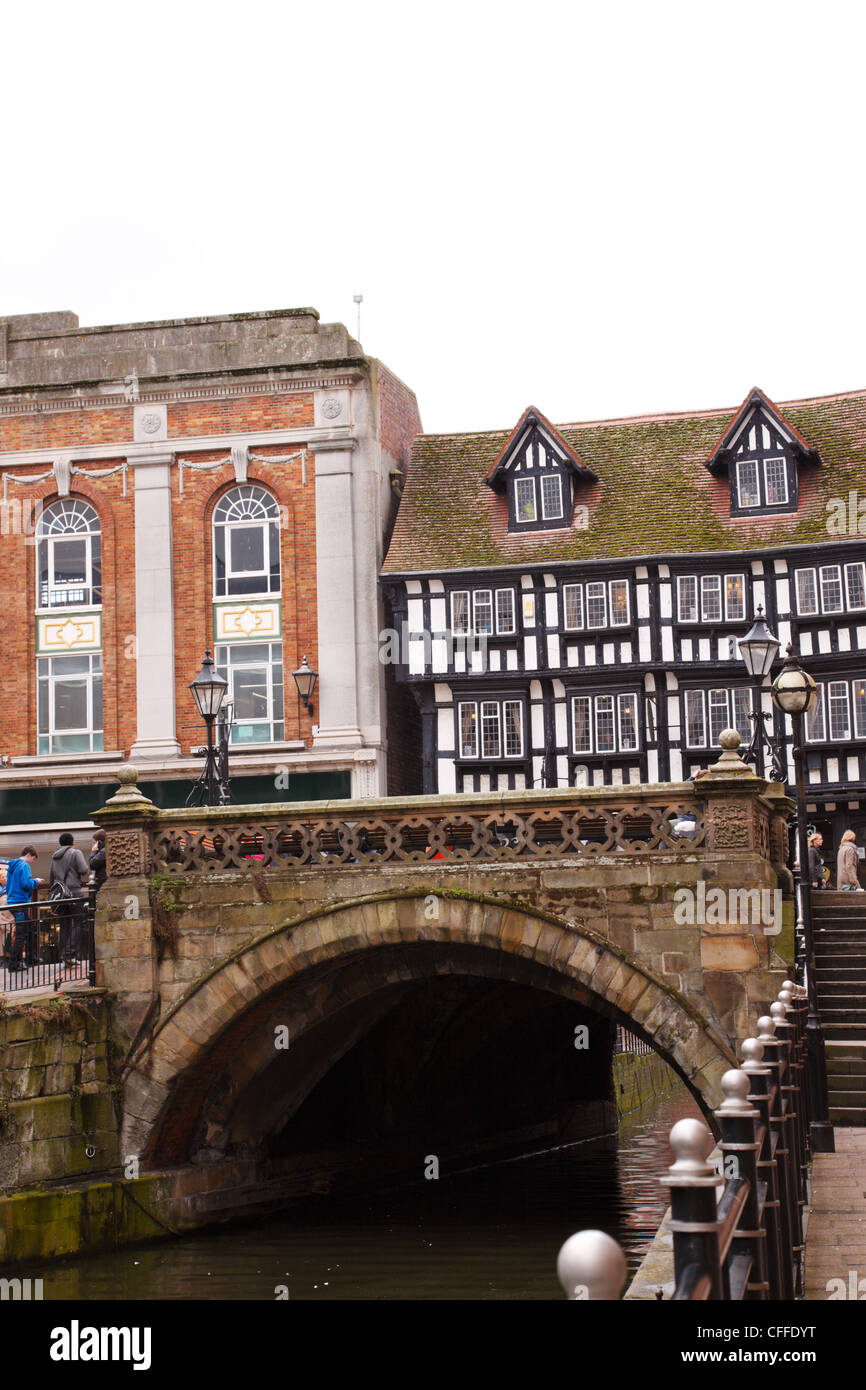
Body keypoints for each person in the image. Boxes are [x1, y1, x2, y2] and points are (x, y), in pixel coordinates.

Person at [49, 833, 89, 966]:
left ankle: (64, 956)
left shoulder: (54, 856)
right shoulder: (75, 852)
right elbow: (84, 870)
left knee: (65, 924)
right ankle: (69, 953)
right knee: (80, 922)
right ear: (72, 842)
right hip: (74, 893)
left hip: (62, 896)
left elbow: (51, 879)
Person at [6, 847, 44, 971]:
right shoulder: (24, 865)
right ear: (29, 855)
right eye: (33, 859)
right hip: (21, 903)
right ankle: (14, 964)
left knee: (30, 929)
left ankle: (29, 959)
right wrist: (36, 881)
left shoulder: (13, 866)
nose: (32, 862)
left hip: (13, 902)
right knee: (21, 934)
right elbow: (26, 884)